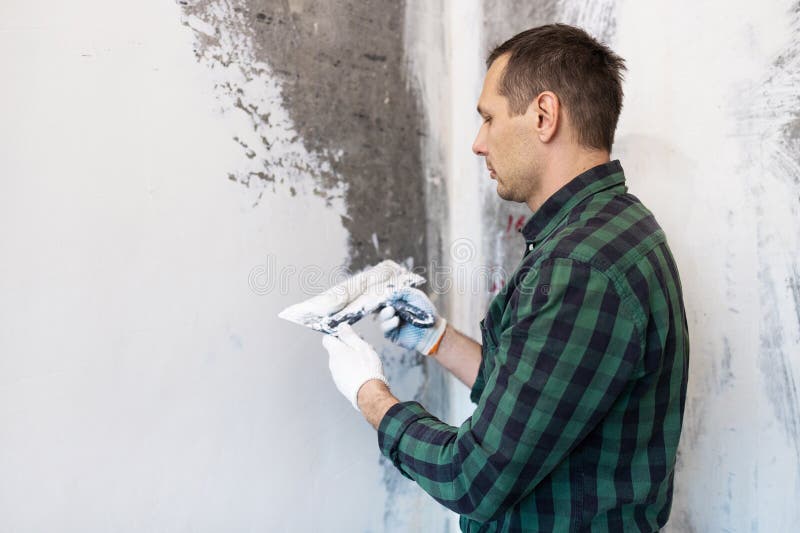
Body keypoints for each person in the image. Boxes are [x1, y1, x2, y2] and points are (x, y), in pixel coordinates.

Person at [321, 23, 689, 532]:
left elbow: (472, 478)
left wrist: (371, 395)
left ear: (543, 115)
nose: (477, 143)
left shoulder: (580, 267)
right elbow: (536, 398)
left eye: (488, 118)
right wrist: (438, 340)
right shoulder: (613, 227)